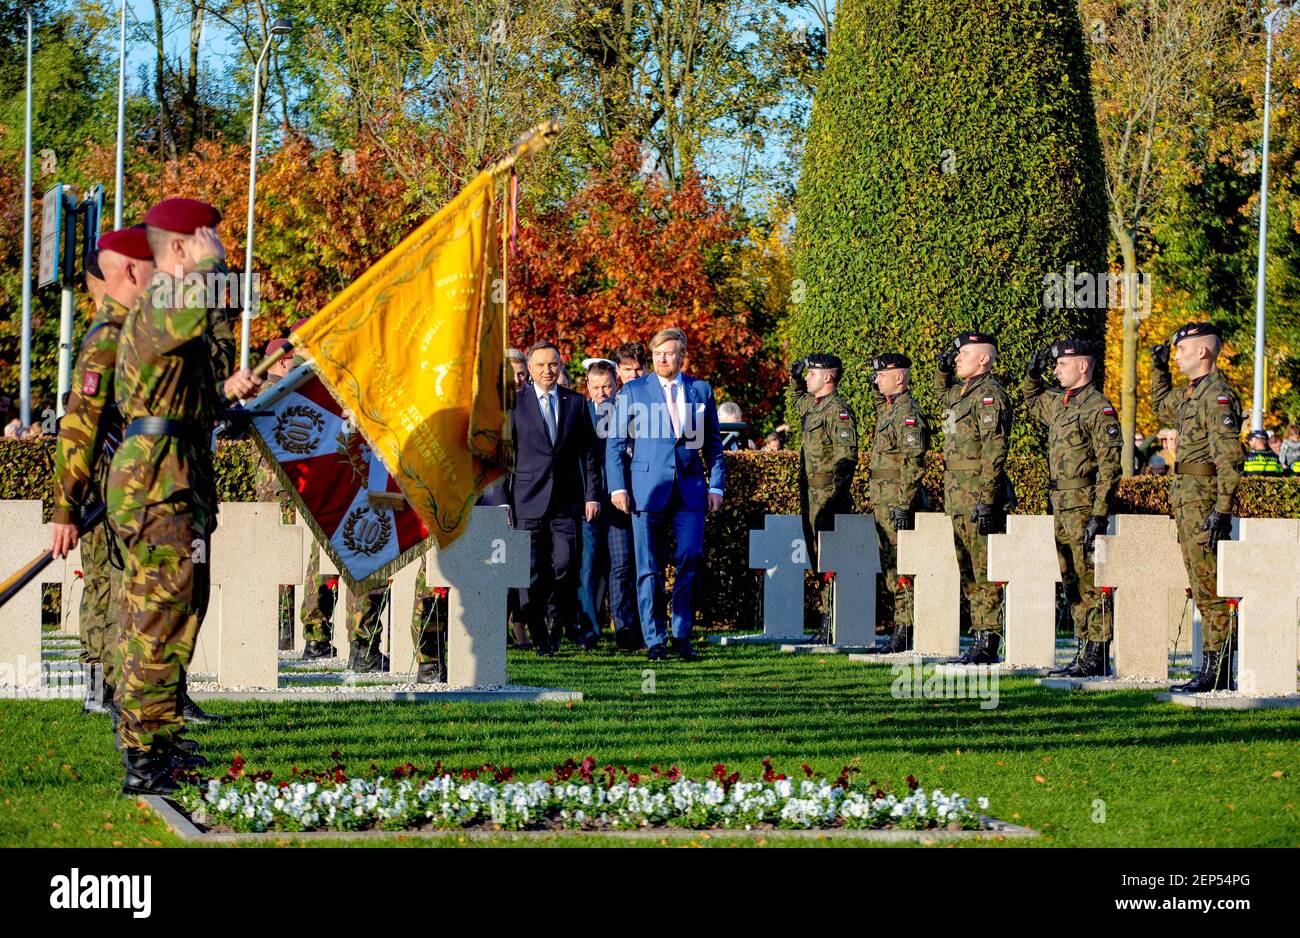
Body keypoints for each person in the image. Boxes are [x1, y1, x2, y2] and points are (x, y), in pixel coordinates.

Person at [109, 197, 262, 795]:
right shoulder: (165, 301)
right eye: (208, 237)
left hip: (174, 478)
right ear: (179, 247)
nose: (219, 247)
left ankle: (161, 739)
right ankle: (143, 756)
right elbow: (223, 292)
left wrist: (229, 396)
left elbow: (188, 401)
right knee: (159, 618)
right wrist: (214, 263)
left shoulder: (173, 313)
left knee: (177, 613)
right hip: (158, 486)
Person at [49, 226, 155, 717]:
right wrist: (67, 506)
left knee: (128, 585)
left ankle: (123, 688)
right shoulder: (105, 338)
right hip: (104, 486)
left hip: (135, 486)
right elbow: (80, 428)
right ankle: (102, 685)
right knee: (105, 583)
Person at [607, 327, 724, 661]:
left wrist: (716, 484)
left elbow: (714, 443)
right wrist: (618, 487)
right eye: (656, 353)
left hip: (690, 492)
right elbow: (614, 444)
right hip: (646, 491)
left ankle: (682, 635)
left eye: (668, 353)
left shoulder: (700, 391)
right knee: (648, 568)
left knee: (689, 558)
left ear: (682, 356)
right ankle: (655, 639)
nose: (661, 358)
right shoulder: (633, 391)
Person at [1151, 322, 1243, 692]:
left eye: (1181, 350)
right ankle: (1211, 667)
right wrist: (1157, 369)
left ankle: (1217, 670)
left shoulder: (1217, 395)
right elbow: (1159, 406)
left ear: (1203, 352)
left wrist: (1222, 508)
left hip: (1204, 500)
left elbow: (1229, 457)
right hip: (1188, 498)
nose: (1176, 356)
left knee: (1210, 588)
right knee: (1199, 583)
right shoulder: (1192, 394)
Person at [1024, 338, 1122, 677]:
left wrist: (1099, 513)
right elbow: (1032, 399)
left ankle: (1097, 650)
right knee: (1070, 580)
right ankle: (1084, 648)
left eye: (1061, 365)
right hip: (1061, 503)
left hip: (1082, 503)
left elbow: (1110, 466)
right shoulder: (1062, 403)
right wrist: (1032, 375)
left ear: (1083, 366)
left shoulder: (1098, 407)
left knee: (1089, 579)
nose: (1056, 370)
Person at [505, 341, 601, 654]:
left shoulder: (576, 402)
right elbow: (506, 457)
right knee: (531, 570)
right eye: (541, 365)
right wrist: (504, 502)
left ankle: (555, 622)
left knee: (566, 563)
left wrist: (592, 495)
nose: (548, 371)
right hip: (527, 500)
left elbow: (588, 453)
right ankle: (539, 636)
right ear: (529, 370)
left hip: (566, 501)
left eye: (553, 365)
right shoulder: (515, 404)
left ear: (560, 367)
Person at [935, 331, 1014, 665]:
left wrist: (987, 498)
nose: (957, 359)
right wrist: (941, 373)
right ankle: (978, 635)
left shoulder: (989, 396)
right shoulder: (963, 394)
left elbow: (994, 451)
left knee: (983, 570)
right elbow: (944, 398)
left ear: (983, 358)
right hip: (957, 493)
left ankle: (988, 638)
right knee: (966, 568)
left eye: (963, 354)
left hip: (976, 494)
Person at [860, 353, 928, 653]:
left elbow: (913, 461)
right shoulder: (889, 410)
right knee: (890, 563)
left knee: (903, 566)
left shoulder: (907, 413)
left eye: (882, 376)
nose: (876, 381)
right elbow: (877, 394)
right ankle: (900, 625)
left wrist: (904, 503)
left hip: (897, 501)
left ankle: (906, 628)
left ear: (899, 377)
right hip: (883, 500)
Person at [789, 353, 858, 640]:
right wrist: (794, 379)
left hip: (827, 494)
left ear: (828, 377)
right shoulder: (815, 407)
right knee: (817, 559)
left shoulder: (837, 411)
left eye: (812, 374)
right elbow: (796, 401)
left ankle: (833, 621)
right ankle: (826, 619)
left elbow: (847, 457)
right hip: (810, 494)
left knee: (830, 560)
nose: (807, 378)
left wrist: (838, 497)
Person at [577, 360, 641, 649]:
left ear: (617, 385)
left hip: (620, 500)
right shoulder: (579, 413)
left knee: (622, 563)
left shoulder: (630, 415)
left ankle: (624, 627)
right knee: (589, 565)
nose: (602, 392)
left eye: (607, 386)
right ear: (587, 388)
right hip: (588, 502)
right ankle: (589, 630)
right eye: (596, 387)